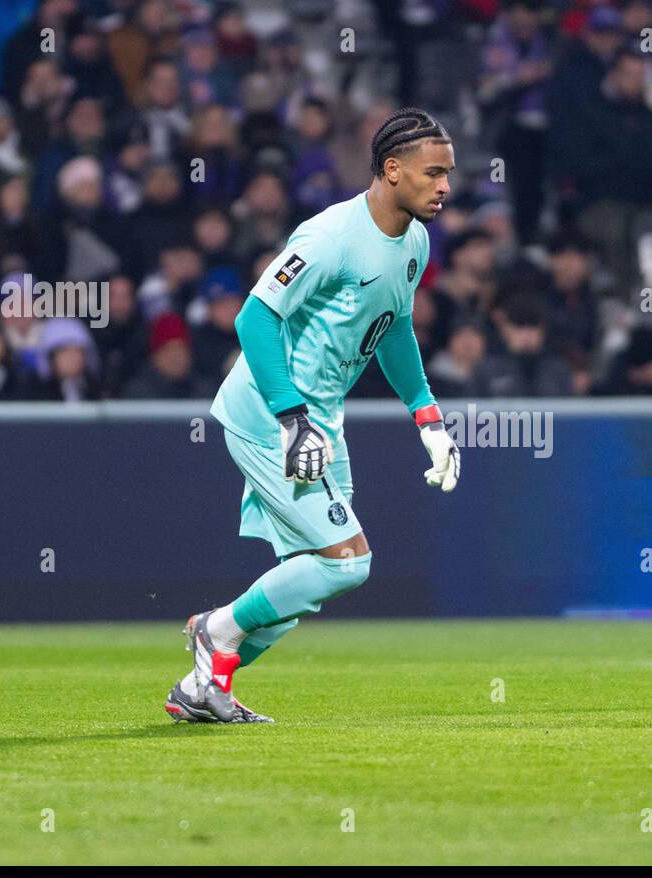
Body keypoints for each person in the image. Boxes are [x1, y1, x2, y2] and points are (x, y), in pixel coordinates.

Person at [164, 107, 461, 724]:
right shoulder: (329, 238)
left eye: (448, 173)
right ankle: (215, 630)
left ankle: (203, 687)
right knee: (346, 562)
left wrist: (428, 420)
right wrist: (292, 417)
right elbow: (254, 317)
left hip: (318, 415)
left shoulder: (415, 240)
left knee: (315, 575)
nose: (445, 187)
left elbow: (395, 328)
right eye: (434, 173)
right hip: (271, 413)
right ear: (392, 169)